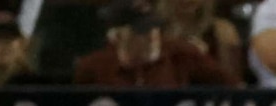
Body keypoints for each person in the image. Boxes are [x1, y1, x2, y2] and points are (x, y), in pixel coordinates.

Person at [74, 0, 231, 87]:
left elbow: (233, 90)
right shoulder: (93, 67)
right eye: (140, 31)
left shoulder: (183, 54)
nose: (149, 36)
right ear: (117, 34)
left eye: (151, 28)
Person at [165, 0, 245, 85]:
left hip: (210, 95)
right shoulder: (158, 32)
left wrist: (204, 58)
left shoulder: (222, 30)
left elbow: (235, 84)